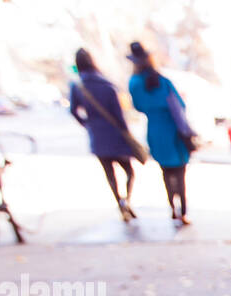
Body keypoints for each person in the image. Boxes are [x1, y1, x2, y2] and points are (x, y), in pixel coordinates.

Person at [126, 42, 193, 226]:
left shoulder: (134, 83)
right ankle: (183, 211)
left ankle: (172, 207)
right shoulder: (163, 82)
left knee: (166, 173)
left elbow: (138, 107)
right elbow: (180, 106)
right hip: (173, 130)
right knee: (180, 173)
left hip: (155, 131)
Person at [68, 49, 137, 222]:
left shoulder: (78, 86)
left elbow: (73, 111)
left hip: (97, 135)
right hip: (115, 134)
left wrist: (87, 124)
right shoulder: (105, 84)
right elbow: (119, 114)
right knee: (129, 171)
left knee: (110, 174)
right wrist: (126, 132)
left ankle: (120, 204)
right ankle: (126, 200)